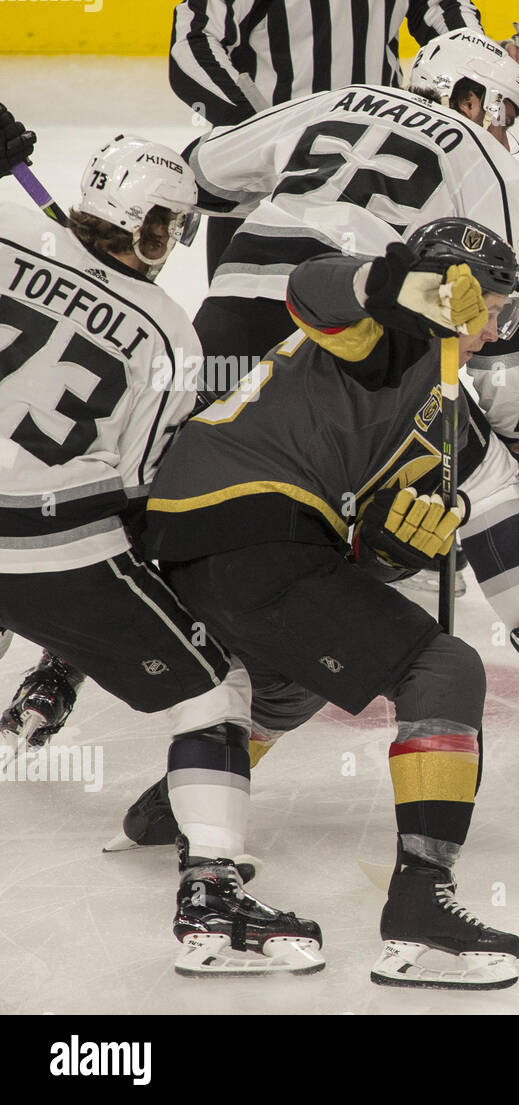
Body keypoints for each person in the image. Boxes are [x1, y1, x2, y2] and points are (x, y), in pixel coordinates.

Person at [6, 33, 519, 760]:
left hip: (231, 316)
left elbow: (196, 173)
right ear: (470, 96)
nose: (502, 125)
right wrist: (514, 437)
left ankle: (60, 665)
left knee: (159, 485)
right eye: (501, 107)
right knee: (488, 479)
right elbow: (510, 334)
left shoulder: (335, 100)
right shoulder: (497, 166)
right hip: (345, 337)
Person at [138, 218, 519, 987]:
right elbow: (313, 286)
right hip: (249, 526)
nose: (490, 326)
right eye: (484, 303)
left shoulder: (445, 404)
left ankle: (169, 811)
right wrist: (401, 286)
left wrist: (381, 555)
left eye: (503, 313)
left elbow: (391, 521)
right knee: (442, 667)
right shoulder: (384, 331)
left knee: (293, 680)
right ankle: (421, 903)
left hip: (204, 534)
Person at [0, 113, 321, 975]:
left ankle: (45, 676)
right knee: (215, 692)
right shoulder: (171, 332)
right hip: (50, 543)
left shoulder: (7, 231)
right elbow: (137, 487)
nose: (173, 242)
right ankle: (212, 895)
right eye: (171, 226)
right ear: (151, 224)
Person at [168, 0, 519, 278]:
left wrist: (482, 60)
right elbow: (192, 40)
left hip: (385, 181)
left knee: (374, 349)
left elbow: (443, 11)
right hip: (268, 181)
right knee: (248, 343)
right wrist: (258, 130)